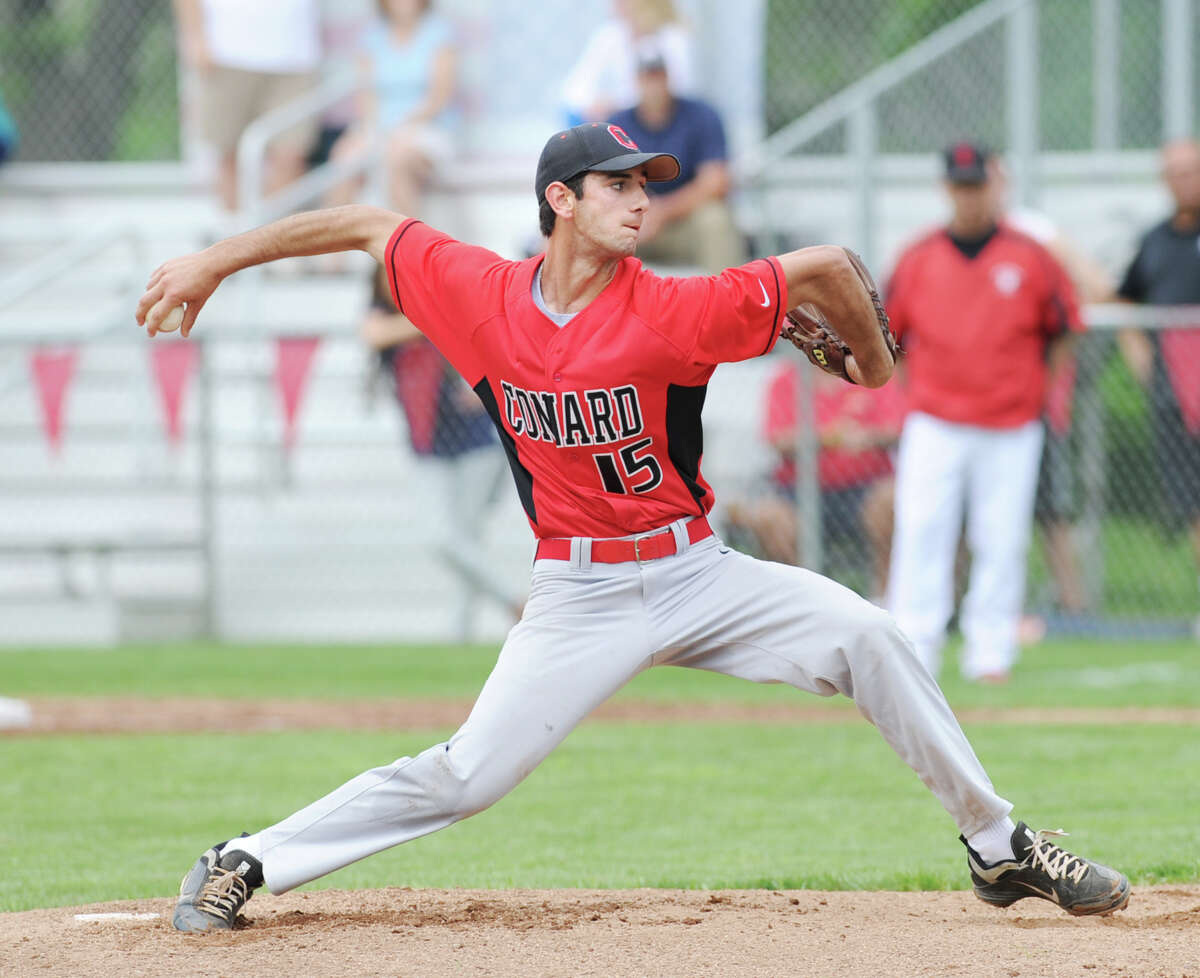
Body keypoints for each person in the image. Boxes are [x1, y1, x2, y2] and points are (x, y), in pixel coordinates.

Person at [137, 122, 1129, 933]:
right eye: (615, 184)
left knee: (873, 636)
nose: (640, 199)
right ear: (560, 201)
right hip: (579, 593)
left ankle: (998, 848)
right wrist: (213, 262)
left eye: (645, 184)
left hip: (700, 573)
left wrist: (871, 362)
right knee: (465, 777)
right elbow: (362, 222)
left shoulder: (674, 309)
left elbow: (828, 266)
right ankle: (246, 861)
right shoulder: (479, 294)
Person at [884, 142, 1084, 684]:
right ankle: (914, 645)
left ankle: (990, 651)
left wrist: (1040, 394)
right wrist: (914, 392)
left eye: (977, 184)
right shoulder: (918, 256)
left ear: (996, 185)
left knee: (1002, 537)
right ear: (946, 188)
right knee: (922, 531)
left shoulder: (1031, 255)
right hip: (935, 419)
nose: (969, 195)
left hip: (1011, 423)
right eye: (961, 185)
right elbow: (889, 337)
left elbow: (1065, 328)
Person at [362, 266, 523, 633]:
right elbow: (373, 334)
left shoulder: (446, 308)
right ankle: (514, 601)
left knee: (466, 539)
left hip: (475, 442)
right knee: (442, 539)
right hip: (427, 447)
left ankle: (459, 633)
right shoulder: (394, 318)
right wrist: (427, 320)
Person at [993, 160, 1113, 642]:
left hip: (1033, 401)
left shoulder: (1033, 233)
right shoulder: (951, 241)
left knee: (1050, 506)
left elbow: (1096, 287)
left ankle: (1072, 604)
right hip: (976, 404)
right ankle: (989, 607)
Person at [724, 361, 904, 602]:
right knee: (771, 517)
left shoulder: (871, 370)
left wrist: (866, 437)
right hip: (797, 489)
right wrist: (827, 438)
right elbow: (777, 439)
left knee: (892, 500)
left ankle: (885, 601)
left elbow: (896, 428)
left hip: (865, 486)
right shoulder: (786, 379)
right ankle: (801, 602)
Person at [1114, 138, 1200, 639]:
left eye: (1191, 170)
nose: (1183, 180)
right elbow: (1123, 302)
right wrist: (1141, 359)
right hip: (1177, 398)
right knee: (1193, 502)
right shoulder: (1155, 241)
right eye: (1175, 172)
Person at [173, 0, 323, 213]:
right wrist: (195, 36)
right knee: (228, 154)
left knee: (291, 153)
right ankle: (241, 231)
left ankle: (275, 231)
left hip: (295, 53)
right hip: (226, 51)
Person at [605, 44, 743, 273]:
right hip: (634, 225)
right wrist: (637, 212)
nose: (653, 85)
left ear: (669, 77)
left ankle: (730, 293)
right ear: (636, 81)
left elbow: (716, 182)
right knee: (591, 222)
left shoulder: (701, 115)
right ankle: (583, 293)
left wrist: (662, 212)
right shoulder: (617, 124)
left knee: (716, 219)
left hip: (682, 223)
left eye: (658, 76)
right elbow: (604, 185)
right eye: (647, 77)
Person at [325, 0, 458, 214]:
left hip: (426, 126)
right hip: (380, 127)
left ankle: (407, 233)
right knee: (344, 157)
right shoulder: (372, 36)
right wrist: (371, 129)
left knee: (397, 159)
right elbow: (366, 93)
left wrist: (402, 128)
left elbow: (439, 96)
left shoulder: (439, 33)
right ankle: (337, 234)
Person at [560, 0, 697, 126]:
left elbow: (674, 92)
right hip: (618, 118)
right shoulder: (611, 36)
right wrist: (593, 104)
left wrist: (619, 104)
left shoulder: (673, 39)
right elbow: (574, 89)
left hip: (659, 121)